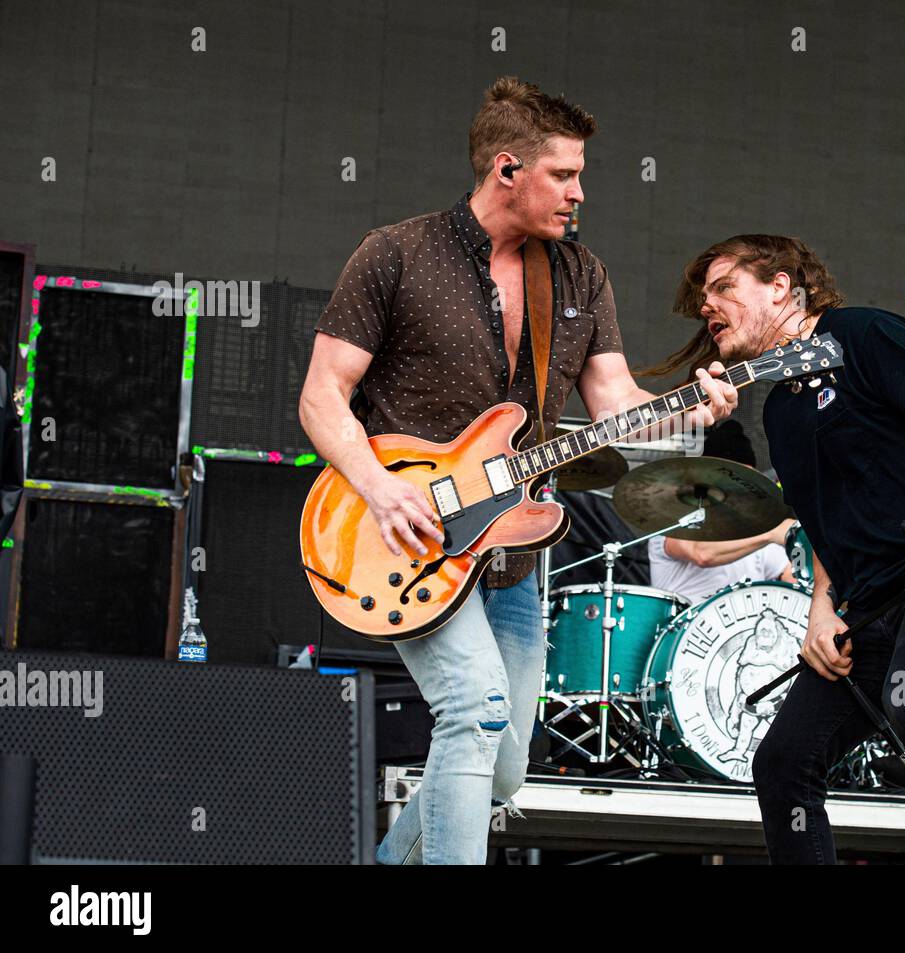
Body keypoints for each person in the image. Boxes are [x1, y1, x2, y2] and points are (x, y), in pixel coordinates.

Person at [298, 77, 737, 864]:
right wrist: (380, 486)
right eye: (563, 175)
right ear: (508, 169)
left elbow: (615, 404)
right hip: (407, 533)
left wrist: (691, 410)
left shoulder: (580, 275)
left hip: (511, 551)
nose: (579, 193)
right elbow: (322, 395)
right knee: (474, 709)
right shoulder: (396, 253)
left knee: (501, 770)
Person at [662, 233, 905, 863]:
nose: (707, 306)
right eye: (705, 297)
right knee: (783, 763)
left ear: (780, 286)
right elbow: (824, 522)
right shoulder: (780, 411)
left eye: (723, 287)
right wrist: (820, 610)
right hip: (872, 605)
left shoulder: (864, 335)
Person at [648, 420, 796, 605]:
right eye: (734, 480)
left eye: (748, 483)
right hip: (687, 621)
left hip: (748, 623)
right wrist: (771, 533)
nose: (742, 490)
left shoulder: (754, 531)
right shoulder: (674, 519)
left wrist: (806, 554)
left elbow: (790, 575)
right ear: (706, 479)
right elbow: (701, 554)